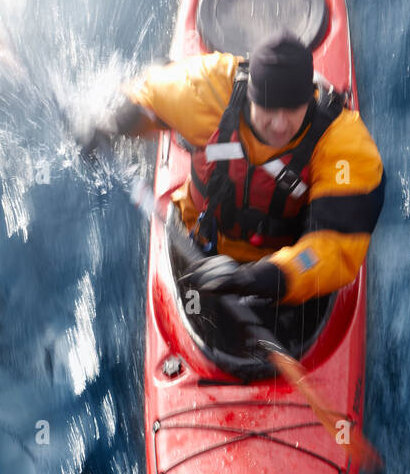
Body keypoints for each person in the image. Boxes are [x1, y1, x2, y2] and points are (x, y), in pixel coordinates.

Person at [78, 31, 385, 310]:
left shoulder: (343, 145)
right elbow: (146, 96)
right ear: (250, 95)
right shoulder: (209, 89)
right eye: (267, 107)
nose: (279, 124)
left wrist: (268, 277)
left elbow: (336, 245)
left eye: (292, 109)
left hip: (279, 275)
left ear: (309, 99)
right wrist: (110, 128)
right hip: (196, 242)